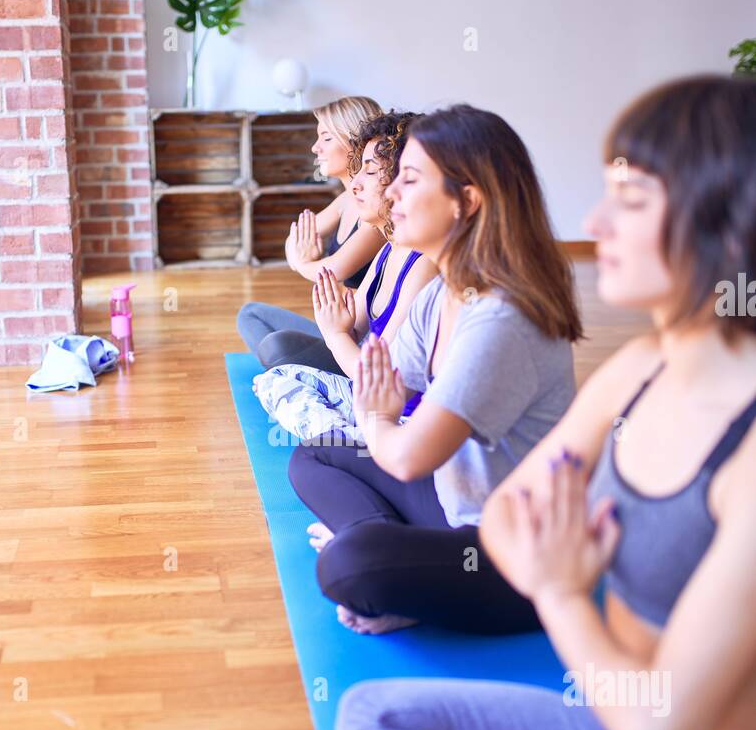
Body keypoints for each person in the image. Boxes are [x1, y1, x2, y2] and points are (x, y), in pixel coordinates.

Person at [335, 74, 756, 730]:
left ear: (722, 221)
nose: (593, 223)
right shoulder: (641, 369)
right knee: (370, 714)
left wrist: (563, 591)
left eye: (629, 198)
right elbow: (512, 514)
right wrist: (539, 558)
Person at [288, 103, 582, 635]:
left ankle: (386, 557)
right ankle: (389, 551)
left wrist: (378, 416)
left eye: (410, 179)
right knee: (313, 454)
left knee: (346, 565)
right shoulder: (442, 294)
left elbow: (403, 452)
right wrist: (378, 409)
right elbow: (381, 384)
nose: (392, 194)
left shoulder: (500, 319)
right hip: (448, 500)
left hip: (506, 557)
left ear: (466, 201)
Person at [252, 112, 438, 444]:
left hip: (400, 419)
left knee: (306, 453)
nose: (356, 184)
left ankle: (346, 444)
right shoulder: (388, 249)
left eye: (370, 171)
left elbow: (382, 380)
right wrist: (340, 323)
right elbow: (357, 328)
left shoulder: (422, 264)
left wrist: (335, 333)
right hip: (366, 393)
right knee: (273, 378)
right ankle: (342, 441)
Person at [236, 96, 383, 372]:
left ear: (355, 140)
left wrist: (303, 263)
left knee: (277, 346)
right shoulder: (345, 202)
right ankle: (291, 371)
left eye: (326, 138)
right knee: (250, 314)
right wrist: (303, 260)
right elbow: (293, 241)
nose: (315, 148)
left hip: (358, 344)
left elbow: (333, 270)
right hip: (339, 330)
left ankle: (292, 372)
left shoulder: (376, 213)